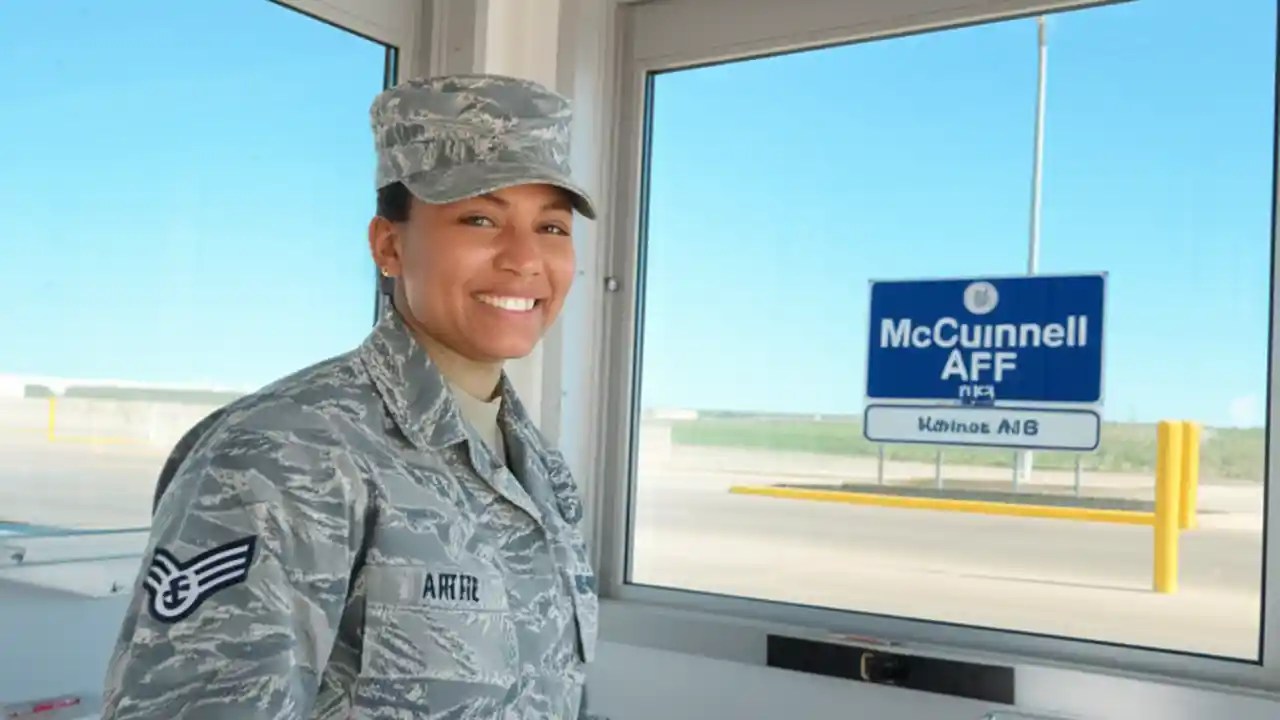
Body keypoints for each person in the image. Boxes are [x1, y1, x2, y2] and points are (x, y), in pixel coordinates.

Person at [101, 73, 605, 720]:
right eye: (480, 219)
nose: (525, 259)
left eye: (553, 228)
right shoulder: (287, 452)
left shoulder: (537, 469)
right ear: (389, 246)